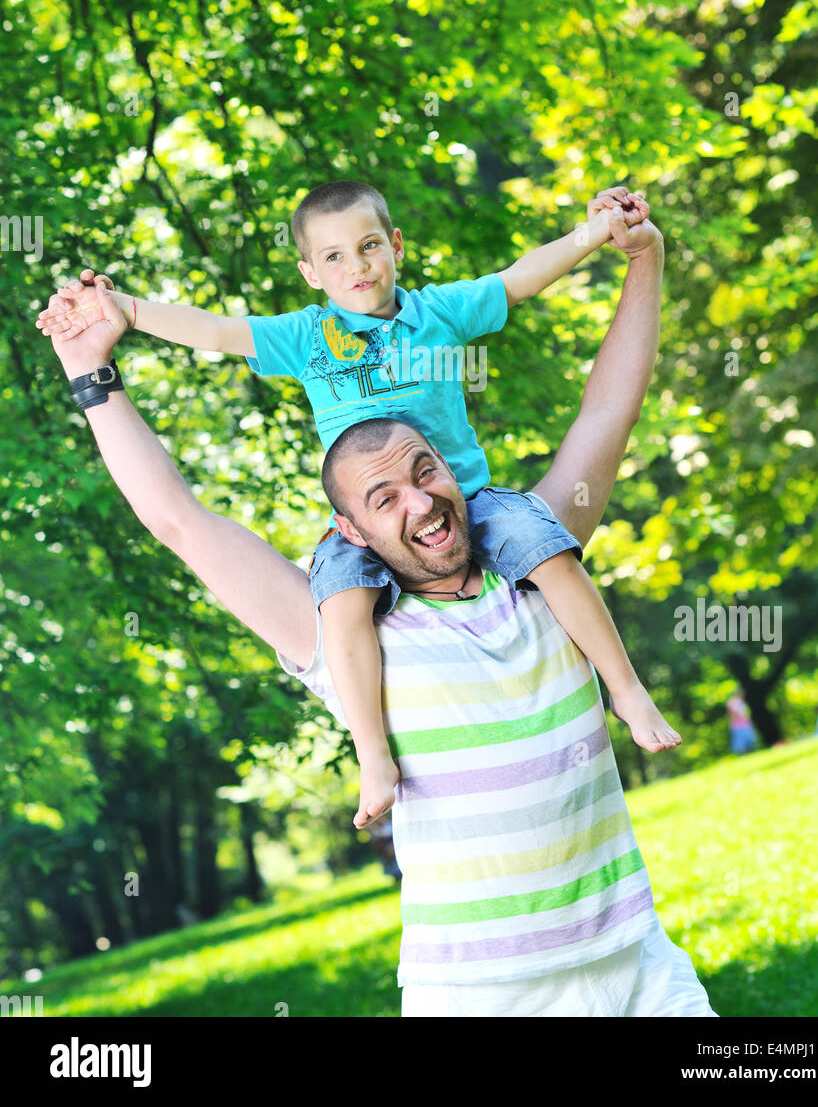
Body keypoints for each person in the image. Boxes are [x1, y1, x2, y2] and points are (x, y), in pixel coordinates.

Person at [39, 226, 718, 1016]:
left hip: (639, 969)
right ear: (349, 532)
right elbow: (179, 521)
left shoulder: (540, 568)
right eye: (384, 498)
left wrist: (645, 260)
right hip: (476, 996)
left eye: (426, 473)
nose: (421, 502)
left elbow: (610, 408)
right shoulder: (344, 633)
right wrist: (92, 374)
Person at [37, 182, 680, 830]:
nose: (359, 267)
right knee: (340, 596)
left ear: (396, 247)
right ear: (311, 274)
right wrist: (119, 306)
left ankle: (627, 690)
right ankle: (372, 754)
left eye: (370, 247)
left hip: (476, 500)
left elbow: (520, 280)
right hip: (365, 540)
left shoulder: (439, 312)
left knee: (547, 547)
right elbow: (213, 331)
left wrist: (602, 235)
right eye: (336, 257)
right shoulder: (308, 337)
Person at [726, 690, 757, 755]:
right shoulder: (732, 702)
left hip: (745, 723)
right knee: (740, 742)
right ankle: (743, 754)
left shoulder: (741, 701)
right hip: (737, 725)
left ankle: (749, 753)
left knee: (749, 739)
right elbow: (734, 713)